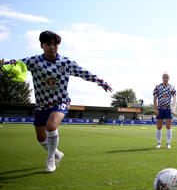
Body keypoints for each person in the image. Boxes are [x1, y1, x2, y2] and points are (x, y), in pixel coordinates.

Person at [2, 31, 112, 172]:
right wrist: (7, 64)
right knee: (41, 139)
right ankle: (57, 153)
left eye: (55, 44)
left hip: (60, 101)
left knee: (51, 126)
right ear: (42, 45)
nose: (52, 47)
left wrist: (101, 82)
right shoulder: (34, 61)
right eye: (48, 44)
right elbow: (17, 64)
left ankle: (51, 159)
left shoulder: (65, 63)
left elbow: (84, 72)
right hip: (42, 104)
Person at [153, 72, 176, 149]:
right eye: (164, 77)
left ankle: (168, 143)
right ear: (162, 78)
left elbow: (174, 98)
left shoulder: (172, 87)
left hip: (168, 108)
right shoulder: (158, 87)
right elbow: (155, 99)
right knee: (159, 127)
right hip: (160, 108)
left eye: (167, 77)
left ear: (169, 78)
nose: (165, 79)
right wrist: (156, 109)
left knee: (168, 127)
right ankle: (159, 143)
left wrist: (173, 108)